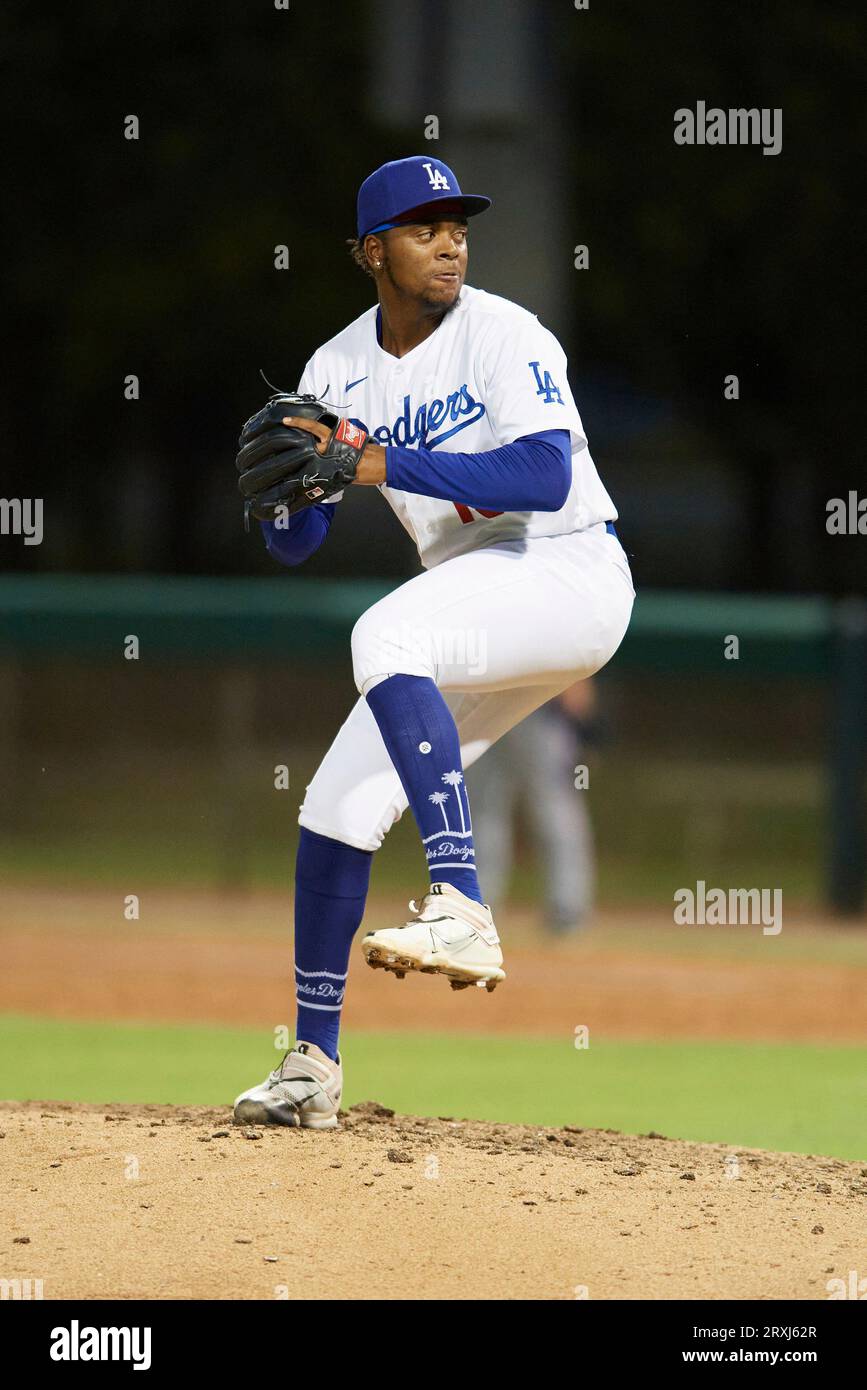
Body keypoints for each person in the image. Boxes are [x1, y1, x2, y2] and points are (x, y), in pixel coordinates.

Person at [233, 155, 634, 1129]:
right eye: (423, 226)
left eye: (457, 222)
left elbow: (542, 474)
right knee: (333, 809)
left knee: (385, 633)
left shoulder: (505, 333)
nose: (450, 239)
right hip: (474, 601)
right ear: (372, 251)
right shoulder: (336, 369)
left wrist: (368, 458)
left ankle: (461, 899)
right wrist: (285, 491)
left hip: (567, 566)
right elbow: (302, 538)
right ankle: (310, 1068)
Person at [467, 679, 601, 935]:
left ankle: (568, 908)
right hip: (482, 700)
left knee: (554, 807)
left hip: (539, 703)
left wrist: (576, 683)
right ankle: (475, 906)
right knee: (480, 809)